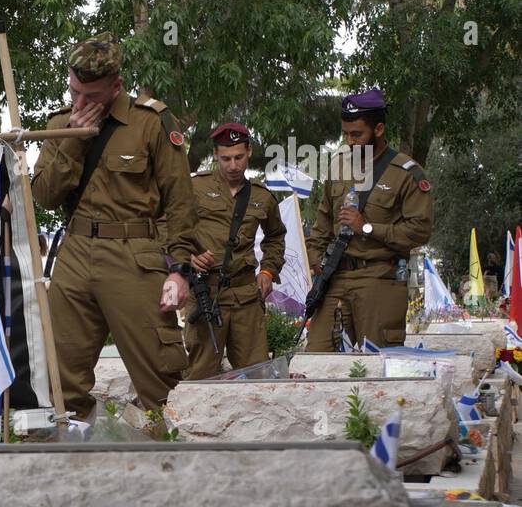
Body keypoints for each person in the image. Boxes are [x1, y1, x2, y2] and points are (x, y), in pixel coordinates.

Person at [32, 33, 199, 415]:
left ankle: (174, 450)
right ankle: (69, 455)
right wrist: (74, 138)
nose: (80, 103)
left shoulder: (150, 121)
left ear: (116, 85)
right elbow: (43, 196)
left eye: (91, 96)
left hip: (133, 254)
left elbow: (180, 201)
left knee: (161, 374)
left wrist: (180, 269)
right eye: (74, 91)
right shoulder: (60, 124)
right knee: (59, 376)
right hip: (74, 253)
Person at [305, 89, 433, 350]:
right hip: (335, 277)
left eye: (357, 134)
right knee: (317, 355)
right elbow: (322, 223)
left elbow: (420, 230)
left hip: (379, 278)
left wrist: (366, 227)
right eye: (346, 134)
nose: (350, 141)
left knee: (377, 362)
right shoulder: (339, 165)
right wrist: (316, 260)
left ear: (378, 129)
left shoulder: (406, 173)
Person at [184, 122, 287, 378]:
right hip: (206, 293)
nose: (233, 165)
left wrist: (269, 271)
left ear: (249, 151)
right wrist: (188, 255)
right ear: (215, 155)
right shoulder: (194, 187)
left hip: (245, 296)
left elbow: (276, 236)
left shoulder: (262, 196)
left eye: (239, 157)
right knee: (201, 375)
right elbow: (168, 225)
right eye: (226, 158)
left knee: (257, 374)